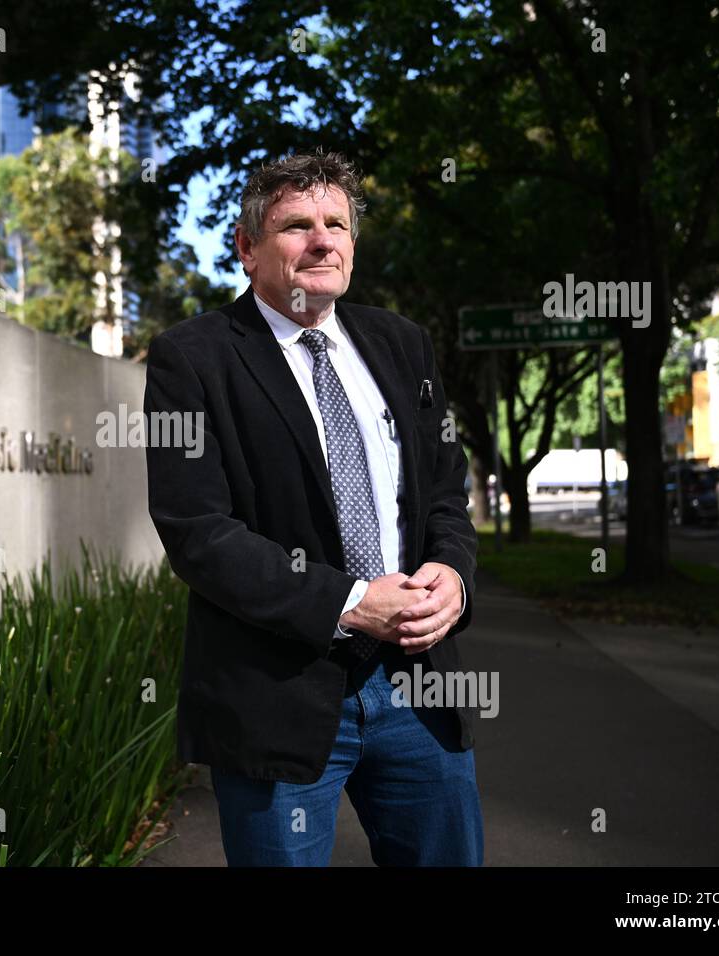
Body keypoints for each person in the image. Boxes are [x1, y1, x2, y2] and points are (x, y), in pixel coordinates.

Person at [142, 149, 482, 866]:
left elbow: (444, 492)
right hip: (277, 700)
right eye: (297, 225)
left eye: (337, 223)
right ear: (246, 248)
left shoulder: (402, 345)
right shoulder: (191, 359)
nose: (322, 240)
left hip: (419, 690)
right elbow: (198, 533)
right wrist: (353, 602)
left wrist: (452, 573)